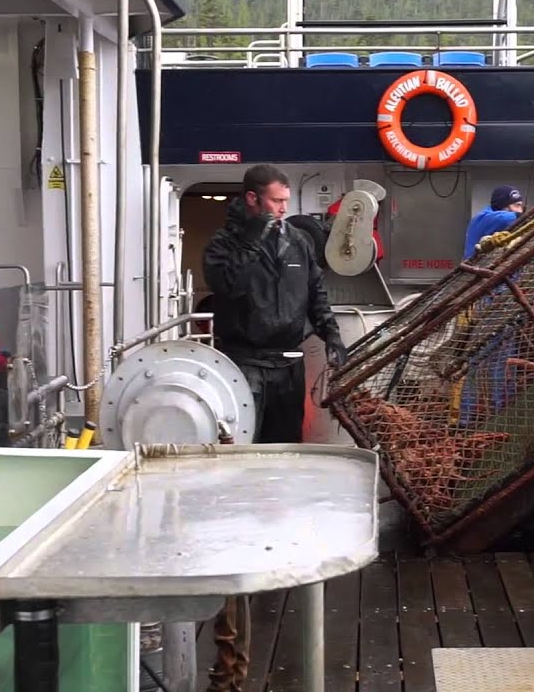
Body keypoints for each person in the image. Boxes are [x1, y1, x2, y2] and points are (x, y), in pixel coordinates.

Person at [200, 163, 345, 692]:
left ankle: (276, 541)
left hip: (287, 364)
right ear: (253, 200)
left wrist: (331, 333)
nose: (285, 209)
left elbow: (315, 293)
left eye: (286, 202)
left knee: (285, 456)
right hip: (244, 364)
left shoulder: (298, 242)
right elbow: (227, 286)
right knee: (244, 461)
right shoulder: (224, 246)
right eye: (277, 202)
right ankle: (240, 546)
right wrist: (255, 236)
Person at [462, 184, 525, 259]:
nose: (520, 210)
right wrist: (523, 216)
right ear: (503, 206)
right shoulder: (483, 217)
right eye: (517, 205)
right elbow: (504, 219)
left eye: (521, 206)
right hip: (473, 263)